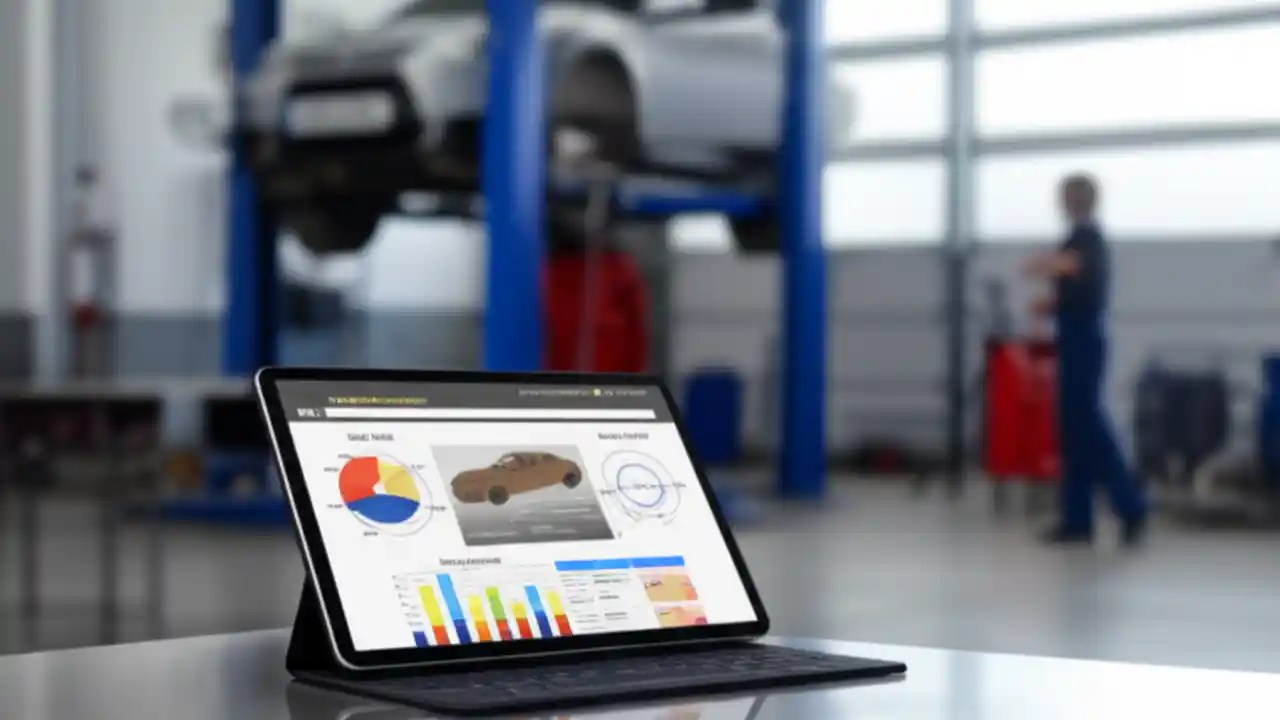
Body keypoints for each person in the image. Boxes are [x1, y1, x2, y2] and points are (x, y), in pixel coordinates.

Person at [1024, 174, 1148, 546]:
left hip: (1083, 337)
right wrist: (1054, 301)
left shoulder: (1088, 237)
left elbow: (1075, 268)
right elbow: (1078, 282)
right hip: (1074, 334)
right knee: (1073, 429)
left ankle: (1131, 506)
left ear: (1078, 201)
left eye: (1067, 196)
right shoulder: (1078, 239)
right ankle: (1078, 519)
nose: (1063, 203)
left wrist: (1045, 266)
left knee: (1087, 425)